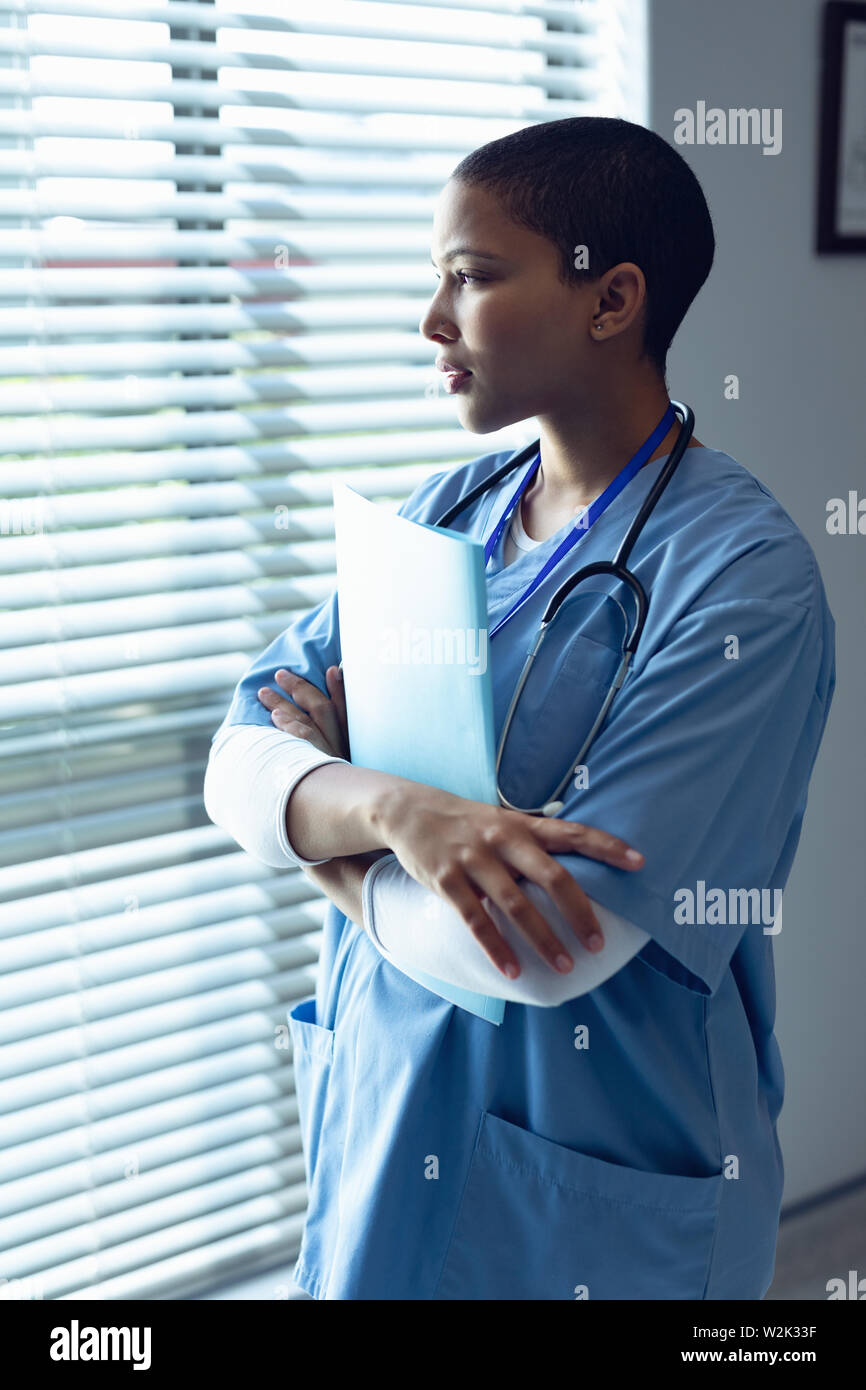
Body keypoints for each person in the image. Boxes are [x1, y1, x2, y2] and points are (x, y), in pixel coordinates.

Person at [203, 117, 835, 1300]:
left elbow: (556, 949)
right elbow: (237, 759)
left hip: (594, 1185)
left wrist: (333, 852)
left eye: (472, 276)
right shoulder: (452, 505)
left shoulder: (744, 580)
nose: (431, 321)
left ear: (612, 300)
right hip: (388, 1107)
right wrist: (398, 814)